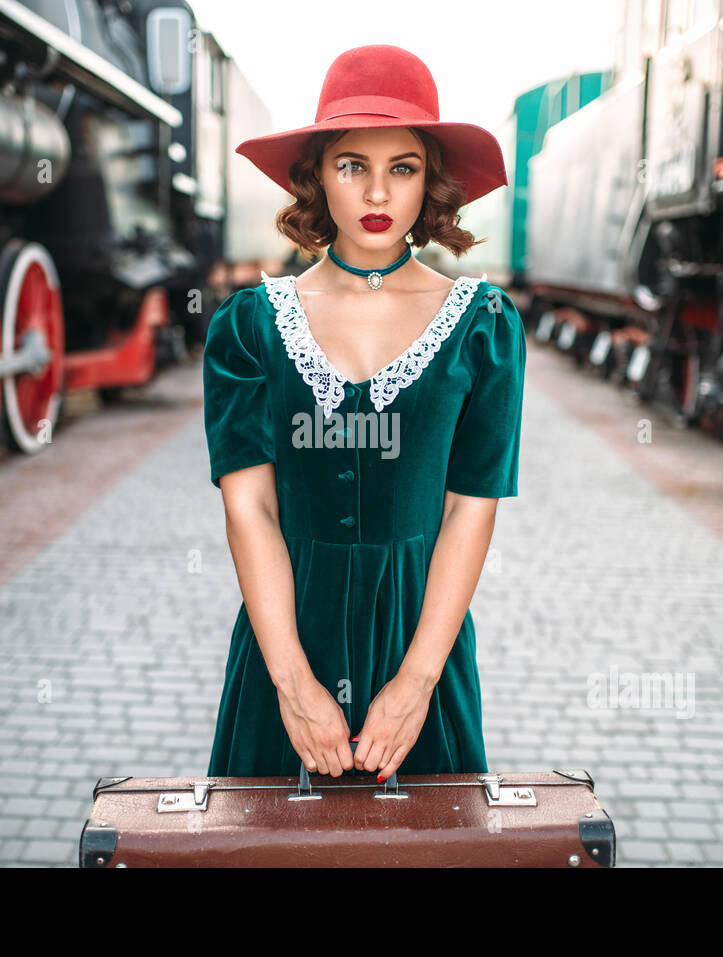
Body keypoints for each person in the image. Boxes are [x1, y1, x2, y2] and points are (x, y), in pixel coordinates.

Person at [202, 44, 525, 784]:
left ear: (429, 182)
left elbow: (468, 513)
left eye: (402, 167)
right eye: (352, 164)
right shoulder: (249, 325)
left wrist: (414, 687)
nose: (377, 190)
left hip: (423, 647)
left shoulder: (485, 326)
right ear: (319, 173)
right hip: (284, 643)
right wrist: (292, 683)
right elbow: (248, 507)